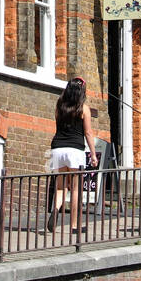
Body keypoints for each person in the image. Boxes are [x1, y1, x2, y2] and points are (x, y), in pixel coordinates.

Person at [48, 77, 97, 234]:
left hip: (57, 149)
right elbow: (88, 133)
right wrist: (93, 155)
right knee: (76, 189)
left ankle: (55, 210)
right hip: (75, 150)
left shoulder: (59, 106)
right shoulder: (83, 109)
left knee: (61, 187)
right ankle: (74, 226)